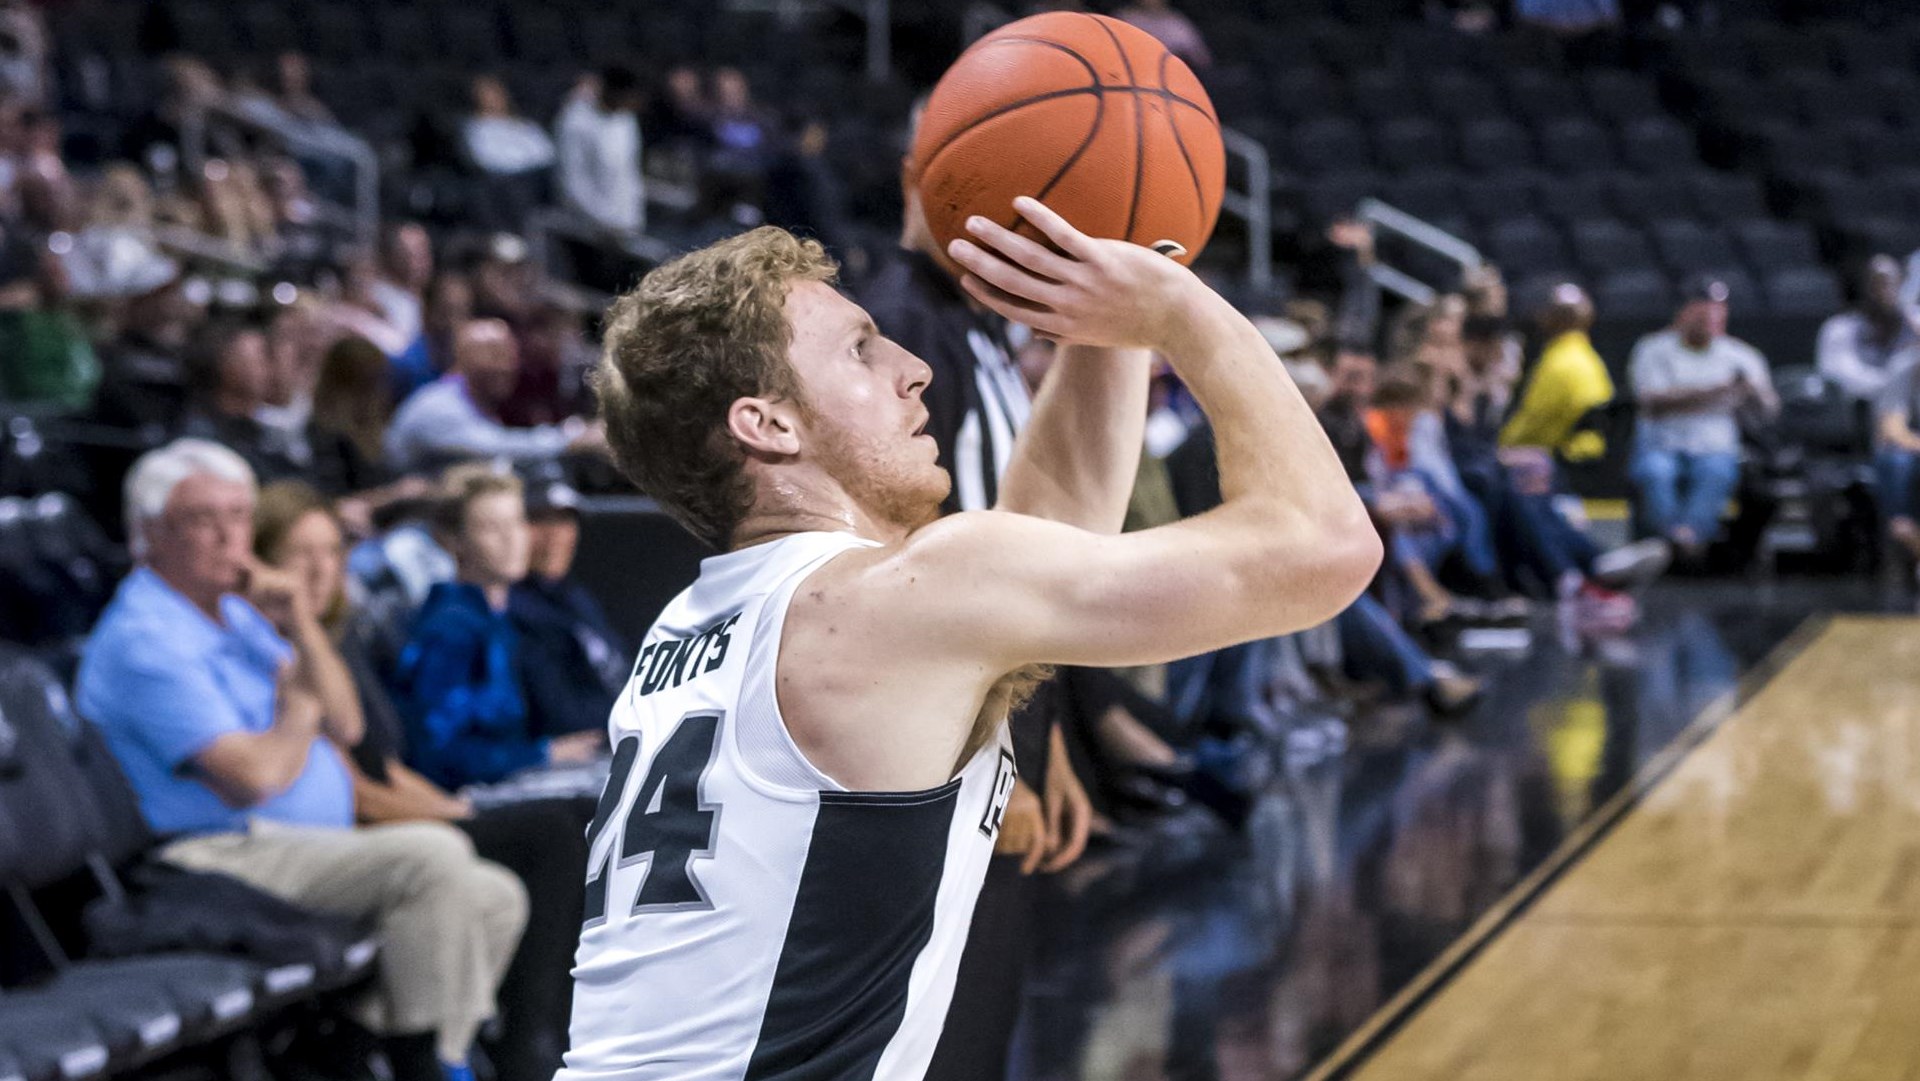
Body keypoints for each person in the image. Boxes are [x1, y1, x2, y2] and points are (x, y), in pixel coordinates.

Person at [560, 202, 1377, 1078]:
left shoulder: (692, 626)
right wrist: (1181, 308)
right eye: (861, 350)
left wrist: (1108, 326)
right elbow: (1325, 546)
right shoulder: (890, 602)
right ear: (769, 424)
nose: (913, 370)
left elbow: (1049, 527)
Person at [74, 439, 527, 1081]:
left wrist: (300, 625)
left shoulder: (238, 611)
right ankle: (421, 1064)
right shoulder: (145, 639)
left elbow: (346, 721)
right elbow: (254, 777)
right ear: (148, 534)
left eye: (239, 514)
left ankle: (394, 1052)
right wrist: (296, 715)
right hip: (210, 856)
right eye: (205, 518)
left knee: (494, 894)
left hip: (300, 846)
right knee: (431, 858)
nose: (230, 535)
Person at [253, 481, 589, 1081]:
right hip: (337, 834)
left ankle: (473, 1043)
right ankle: (520, 1047)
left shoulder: (339, 641)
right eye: (299, 553)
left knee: (548, 837)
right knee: (550, 836)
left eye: (331, 551)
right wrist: (457, 813)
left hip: (404, 808)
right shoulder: (443, 626)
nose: (319, 569)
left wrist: (450, 809)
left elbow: (383, 762)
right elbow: (368, 778)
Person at [392, 464, 604, 789]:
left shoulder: (499, 617)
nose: (511, 540)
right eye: (491, 528)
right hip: (472, 795)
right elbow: (435, 755)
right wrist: (541, 754)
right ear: (454, 540)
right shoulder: (451, 628)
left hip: (514, 779)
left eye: (517, 523)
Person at [1628, 275, 1778, 559]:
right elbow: (1649, 401)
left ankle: (1684, 540)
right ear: (1683, 312)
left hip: (1714, 448)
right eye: (1702, 309)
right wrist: (1716, 392)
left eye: (1718, 309)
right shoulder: (1654, 349)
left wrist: (1752, 393)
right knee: (1655, 472)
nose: (1711, 316)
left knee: (1716, 472)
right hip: (1662, 444)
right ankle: (1670, 541)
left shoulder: (1741, 355)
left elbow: (1770, 409)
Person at [384, 318, 600, 474]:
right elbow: (495, 447)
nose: (506, 366)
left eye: (510, 355)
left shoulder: (480, 402)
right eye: (495, 354)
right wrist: (569, 440)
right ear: (462, 358)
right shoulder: (438, 406)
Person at [509, 479, 629, 737]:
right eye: (540, 520)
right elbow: (559, 714)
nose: (555, 536)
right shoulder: (512, 607)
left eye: (564, 522)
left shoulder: (574, 596)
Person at [1500, 283, 1615, 462]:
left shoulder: (1559, 363)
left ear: (1552, 318)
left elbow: (1534, 419)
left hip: (1562, 457)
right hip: (1588, 456)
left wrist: (1502, 444)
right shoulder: (1589, 358)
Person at [557, 66, 645, 237]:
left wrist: (632, 216)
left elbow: (629, 171)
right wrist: (605, 220)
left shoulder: (626, 119)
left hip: (628, 223)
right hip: (589, 229)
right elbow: (573, 182)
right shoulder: (575, 122)